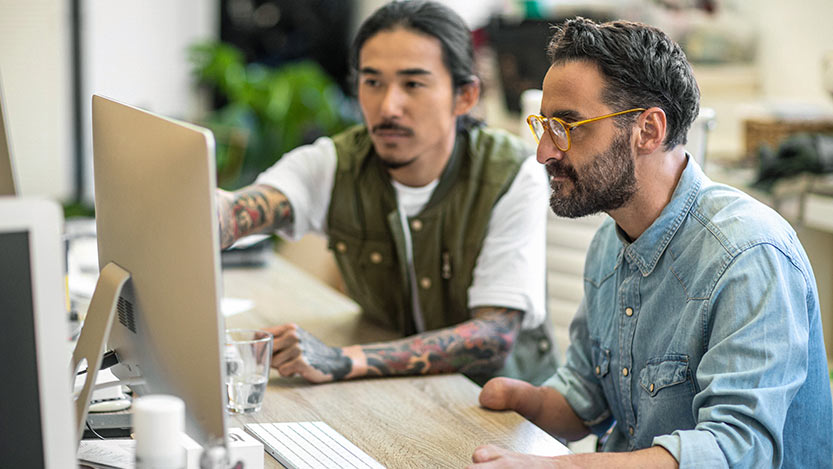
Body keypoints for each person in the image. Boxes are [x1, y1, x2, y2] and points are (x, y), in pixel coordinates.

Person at [469, 17, 832, 469]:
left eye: (567, 126)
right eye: (543, 125)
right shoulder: (610, 241)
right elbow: (586, 399)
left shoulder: (750, 255)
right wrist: (517, 397)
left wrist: (551, 467)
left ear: (649, 130)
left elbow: (735, 451)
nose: (545, 150)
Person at [216, 0, 559, 386]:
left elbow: (493, 336)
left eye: (413, 84)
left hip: (504, 408)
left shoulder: (512, 173)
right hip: (397, 390)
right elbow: (238, 209)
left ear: (465, 96)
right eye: (372, 82)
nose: (387, 106)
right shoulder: (335, 163)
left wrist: (342, 361)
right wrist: (206, 210)